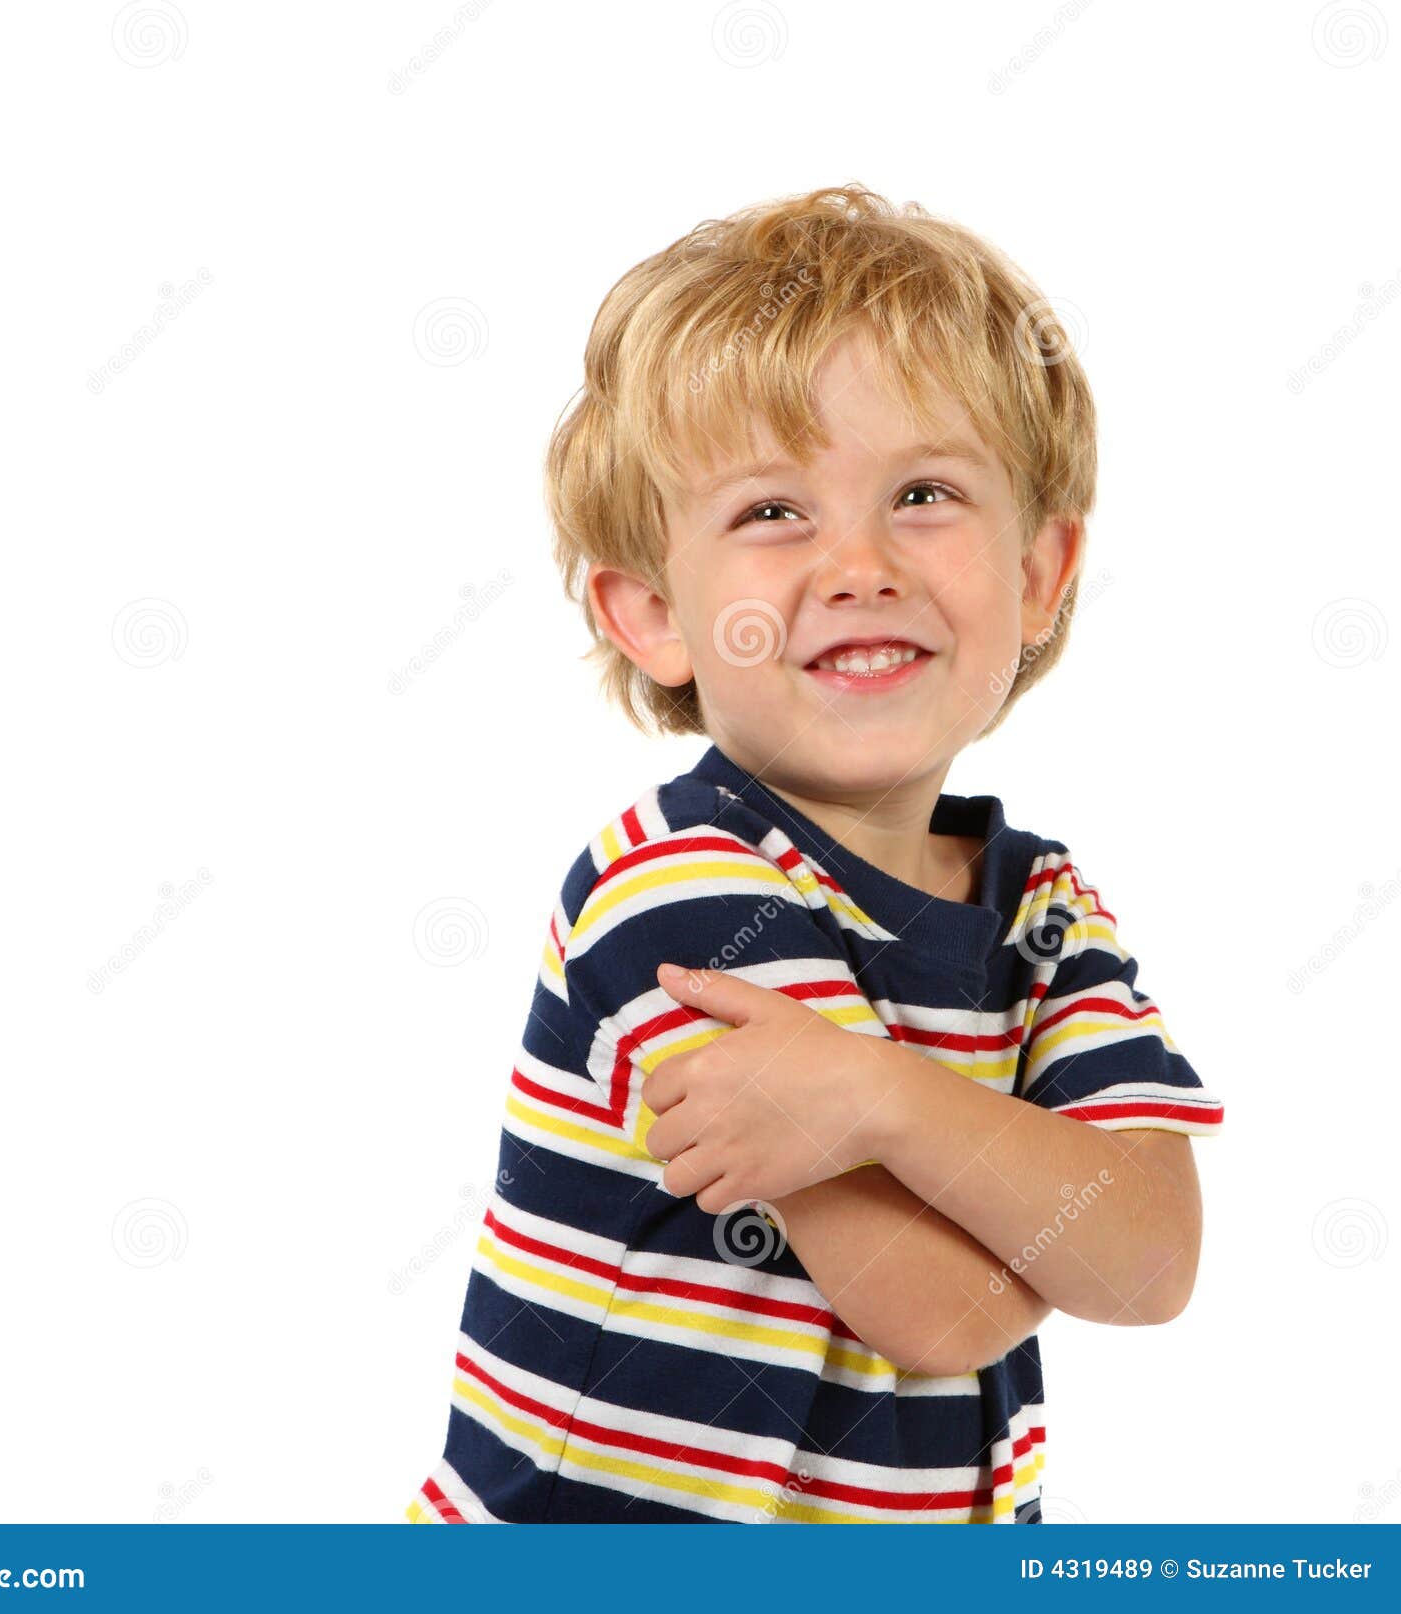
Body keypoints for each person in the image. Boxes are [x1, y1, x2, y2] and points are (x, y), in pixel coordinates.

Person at [405, 183, 1224, 1524]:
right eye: (776, 512)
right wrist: (1040, 1190)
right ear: (656, 614)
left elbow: (1149, 1264)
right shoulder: (674, 890)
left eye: (923, 492)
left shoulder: (1045, 913)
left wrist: (875, 1097)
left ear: (1038, 571)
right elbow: (947, 1307)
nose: (860, 563)